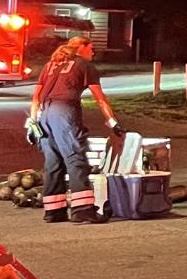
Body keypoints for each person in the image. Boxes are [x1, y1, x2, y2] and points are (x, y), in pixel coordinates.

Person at [27, 36, 124, 224]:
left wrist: (32, 124)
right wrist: (113, 123)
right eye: (91, 48)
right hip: (64, 112)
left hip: (44, 115)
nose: (93, 52)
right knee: (75, 157)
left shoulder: (51, 65)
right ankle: (83, 211)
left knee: (53, 161)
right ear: (81, 48)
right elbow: (100, 99)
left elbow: (36, 98)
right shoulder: (84, 65)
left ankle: (54, 212)